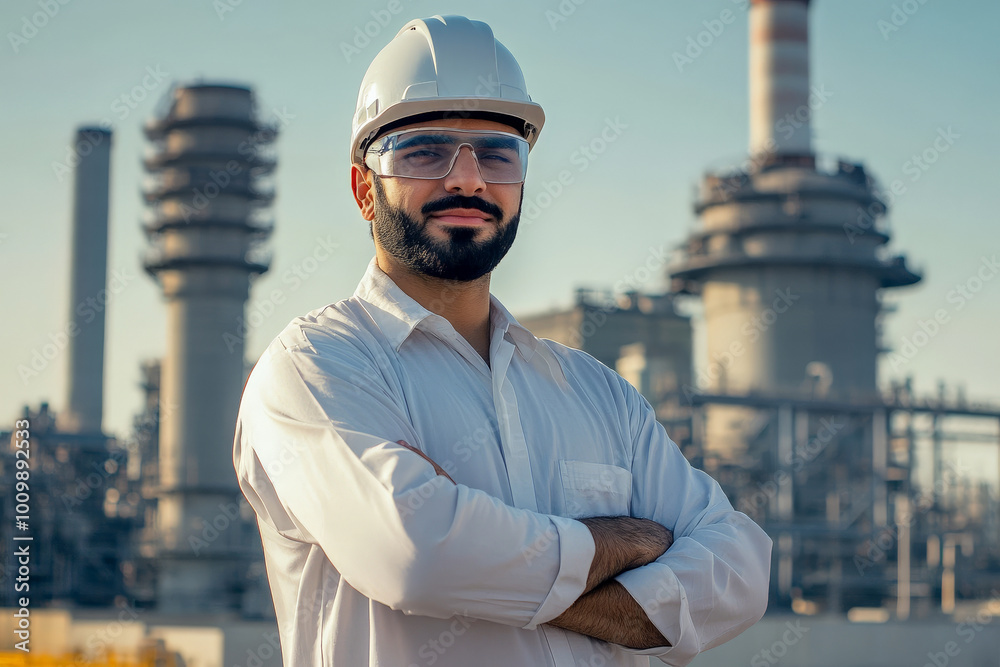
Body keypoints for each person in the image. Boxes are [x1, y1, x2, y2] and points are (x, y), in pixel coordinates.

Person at [233, 14, 771, 667]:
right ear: (363, 191)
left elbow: (740, 570)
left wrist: (485, 559)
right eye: (424, 150)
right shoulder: (317, 367)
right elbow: (417, 557)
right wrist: (626, 542)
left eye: (496, 153)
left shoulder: (597, 395)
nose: (467, 179)